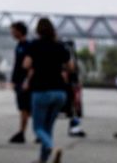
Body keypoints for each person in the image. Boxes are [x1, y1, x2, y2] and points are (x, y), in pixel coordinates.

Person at [19, 17, 74, 163]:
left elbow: (25, 64)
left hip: (41, 91)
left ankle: (51, 148)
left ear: (38, 30)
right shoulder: (60, 46)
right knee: (48, 127)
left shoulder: (35, 45)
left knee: (38, 128)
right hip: (60, 93)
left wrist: (36, 64)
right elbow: (71, 67)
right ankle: (43, 159)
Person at [6, 21, 32, 144]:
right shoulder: (19, 46)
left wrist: (27, 80)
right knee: (24, 108)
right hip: (18, 82)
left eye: (13, 31)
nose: (11, 33)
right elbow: (17, 65)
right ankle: (26, 131)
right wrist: (13, 80)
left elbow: (30, 66)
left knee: (25, 108)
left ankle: (22, 132)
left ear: (19, 31)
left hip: (25, 82)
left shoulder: (28, 45)